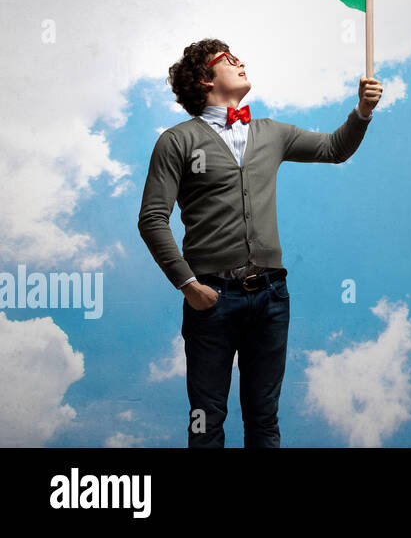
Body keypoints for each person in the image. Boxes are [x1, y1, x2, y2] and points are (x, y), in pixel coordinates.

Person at [138, 38, 382, 447]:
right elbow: (152, 218)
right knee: (206, 420)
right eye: (227, 60)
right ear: (204, 80)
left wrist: (362, 111)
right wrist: (187, 284)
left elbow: (334, 149)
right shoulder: (177, 141)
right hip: (211, 298)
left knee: (264, 419)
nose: (240, 62)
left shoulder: (271, 132)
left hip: (271, 296)